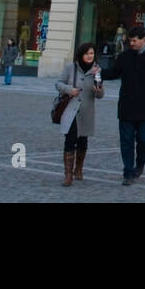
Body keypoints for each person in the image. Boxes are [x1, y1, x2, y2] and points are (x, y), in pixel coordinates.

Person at [100, 25, 145, 185]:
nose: (131, 43)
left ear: (143, 39)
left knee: (143, 140)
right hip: (126, 106)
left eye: (134, 41)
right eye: (130, 41)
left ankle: (140, 163)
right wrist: (98, 72)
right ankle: (128, 172)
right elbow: (114, 72)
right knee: (126, 141)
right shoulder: (124, 56)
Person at [56, 42, 104, 186]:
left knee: (83, 141)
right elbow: (58, 84)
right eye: (86, 53)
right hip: (70, 110)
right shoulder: (70, 68)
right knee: (70, 140)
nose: (89, 56)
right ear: (81, 54)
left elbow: (100, 94)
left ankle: (78, 169)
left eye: (91, 53)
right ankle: (68, 175)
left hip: (86, 111)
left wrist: (98, 90)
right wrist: (69, 90)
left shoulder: (97, 70)